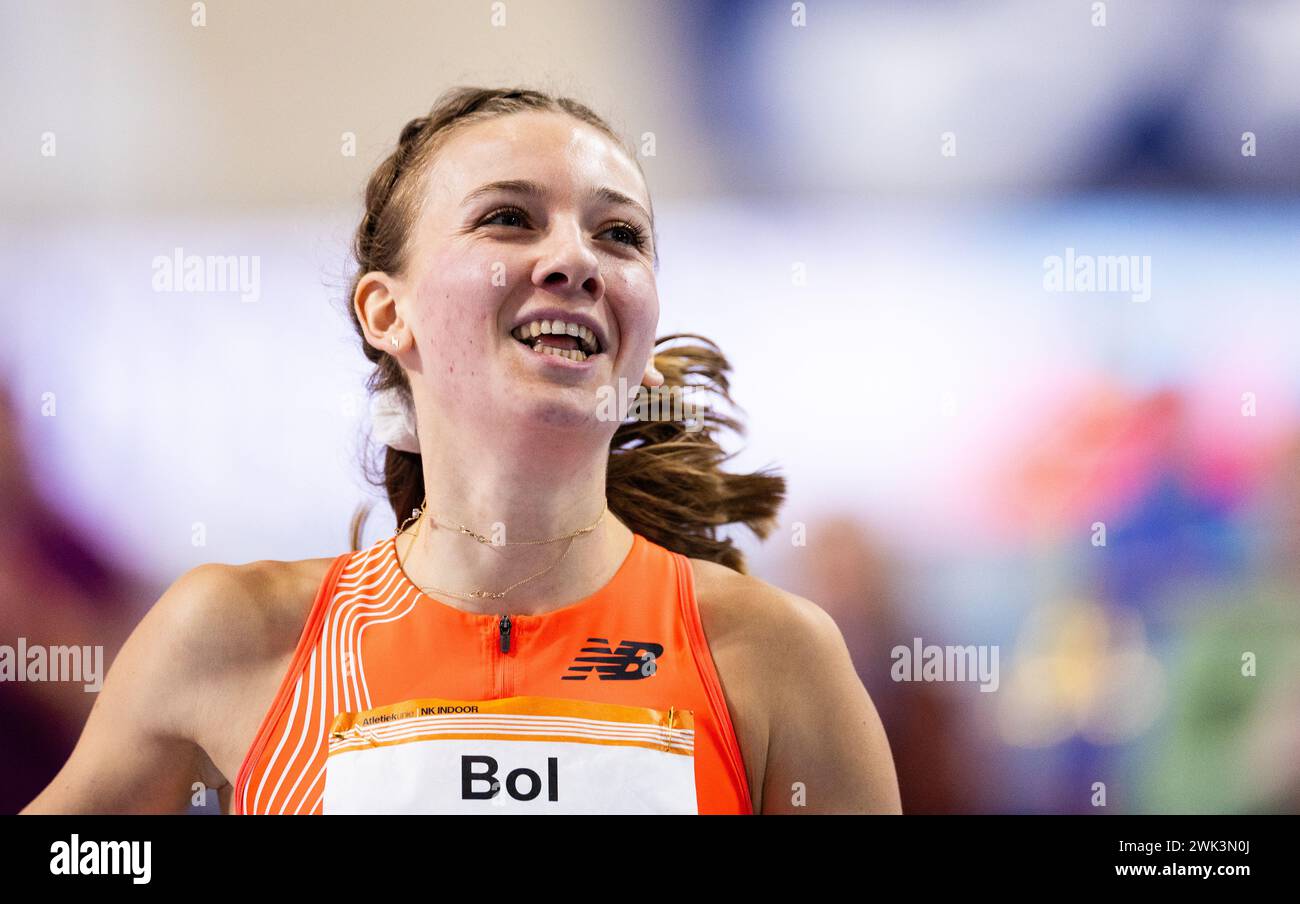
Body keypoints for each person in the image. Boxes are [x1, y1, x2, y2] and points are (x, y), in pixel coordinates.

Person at [21, 87, 901, 815]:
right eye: (510, 218)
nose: (576, 259)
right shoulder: (235, 636)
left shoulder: (773, 657)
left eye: (619, 234)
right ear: (384, 311)